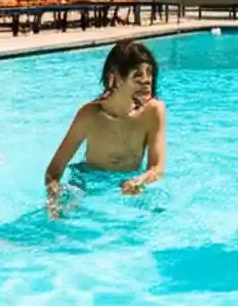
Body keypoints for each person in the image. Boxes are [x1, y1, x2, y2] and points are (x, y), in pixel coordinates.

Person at [45, 40, 167, 209]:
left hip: (129, 183)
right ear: (114, 79)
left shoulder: (153, 112)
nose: (146, 80)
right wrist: (54, 200)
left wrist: (139, 181)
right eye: (137, 75)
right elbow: (54, 170)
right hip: (89, 183)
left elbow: (156, 167)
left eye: (149, 73)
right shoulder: (89, 115)